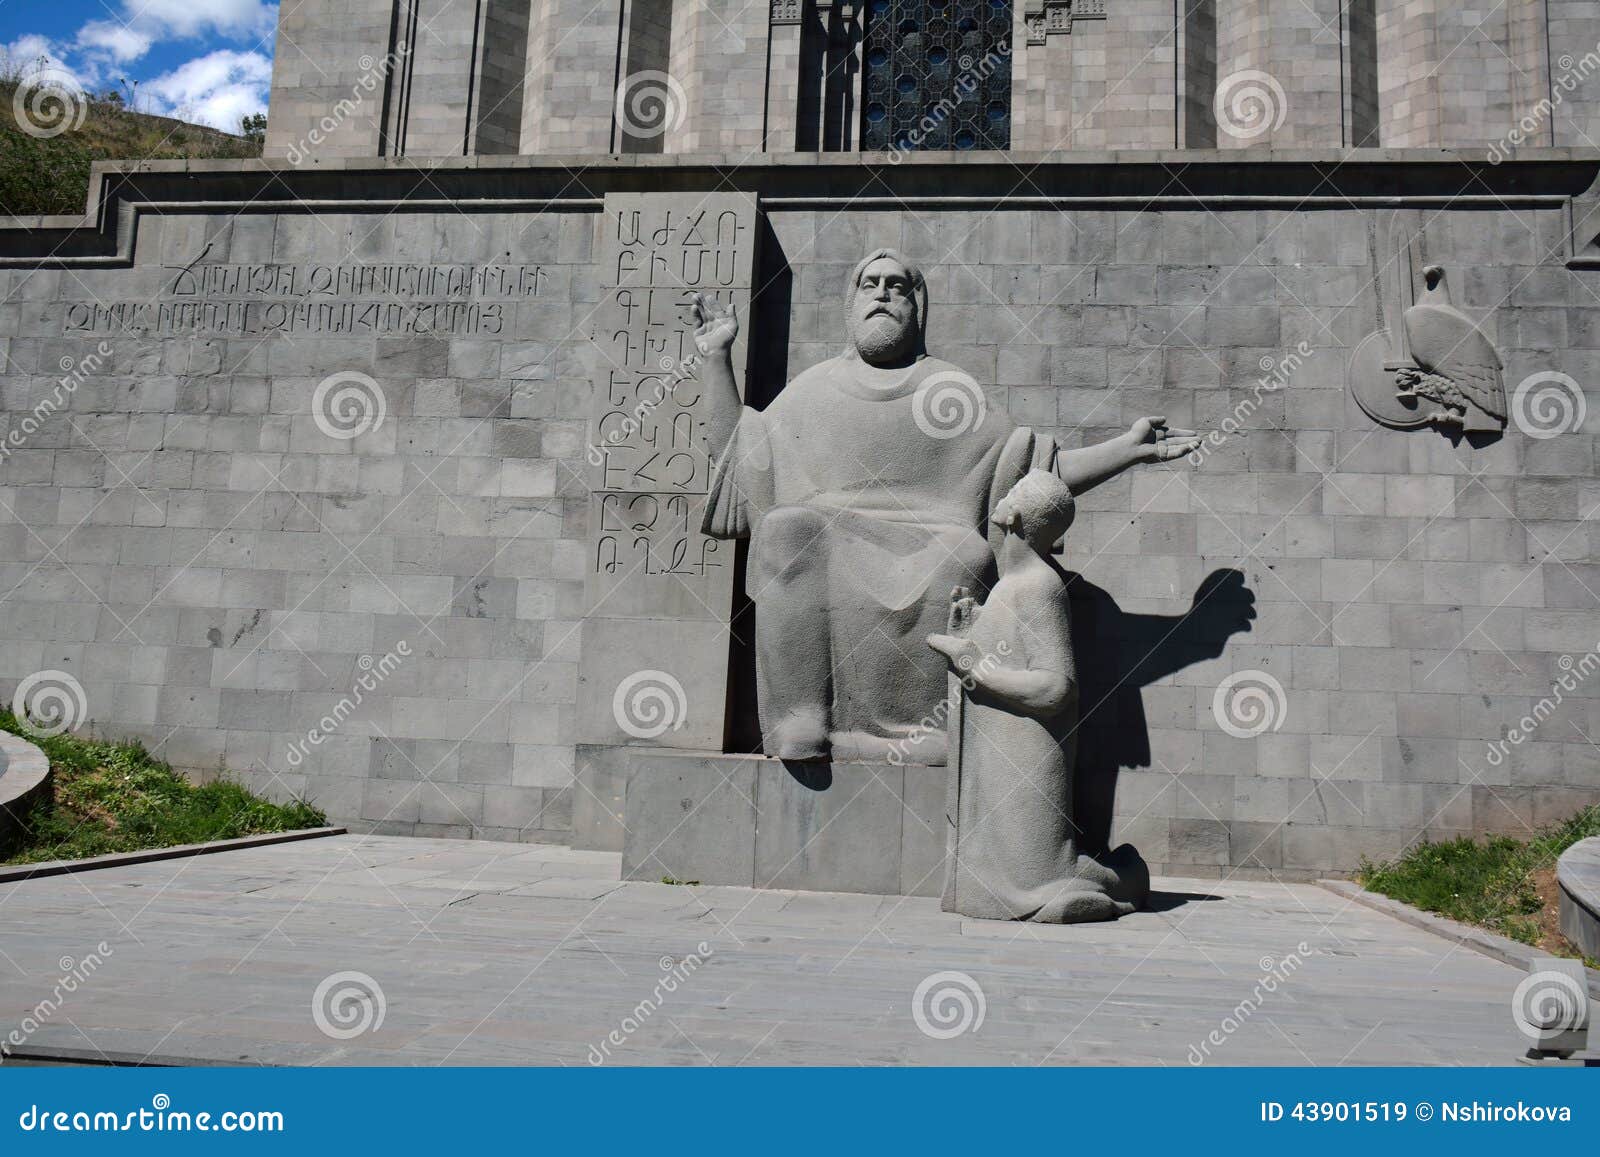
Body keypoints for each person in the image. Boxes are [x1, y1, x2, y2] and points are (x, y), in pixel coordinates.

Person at [692, 248, 1200, 763]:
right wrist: (715, 358)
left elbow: (1030, 475)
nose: (883, 294)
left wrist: (1126, 450)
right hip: (824, 539)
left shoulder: (953, 393)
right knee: (786, 529)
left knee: (965, 553)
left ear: (918, 306)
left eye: (898, 285)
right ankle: (801, 716)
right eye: (870, 284)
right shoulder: (811, 391)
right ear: (851, 305)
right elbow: (740, 456)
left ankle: (917, 732)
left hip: (933, 546)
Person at [928, 469, 1148, 923]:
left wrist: (974, 665)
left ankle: (1126, 878)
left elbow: (1055, 686)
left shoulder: (1040, 588)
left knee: (1039, 878)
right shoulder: (1011, 587)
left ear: (1014, 514)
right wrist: (970, 633)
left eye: (1012, 492)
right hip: (994, 753)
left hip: (1026, 757)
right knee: (1006, 876)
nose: (1003, 494)